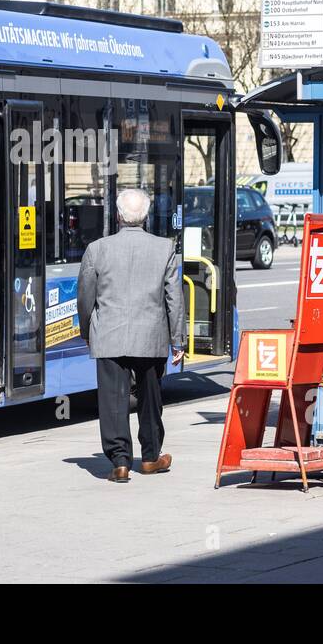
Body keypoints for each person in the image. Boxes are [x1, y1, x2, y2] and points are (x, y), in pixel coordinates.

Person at [78, 188, 186, 483]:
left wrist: (86, 331)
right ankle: (151, 457)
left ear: (118, 216)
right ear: (146, 217)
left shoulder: (97, 249)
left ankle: (120, 462)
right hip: (150, 336)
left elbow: (86, 297)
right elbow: (174, 299)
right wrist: (178, 340)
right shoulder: (165, 248)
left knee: (113, 400)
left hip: (109, 336)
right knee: (151, 397)